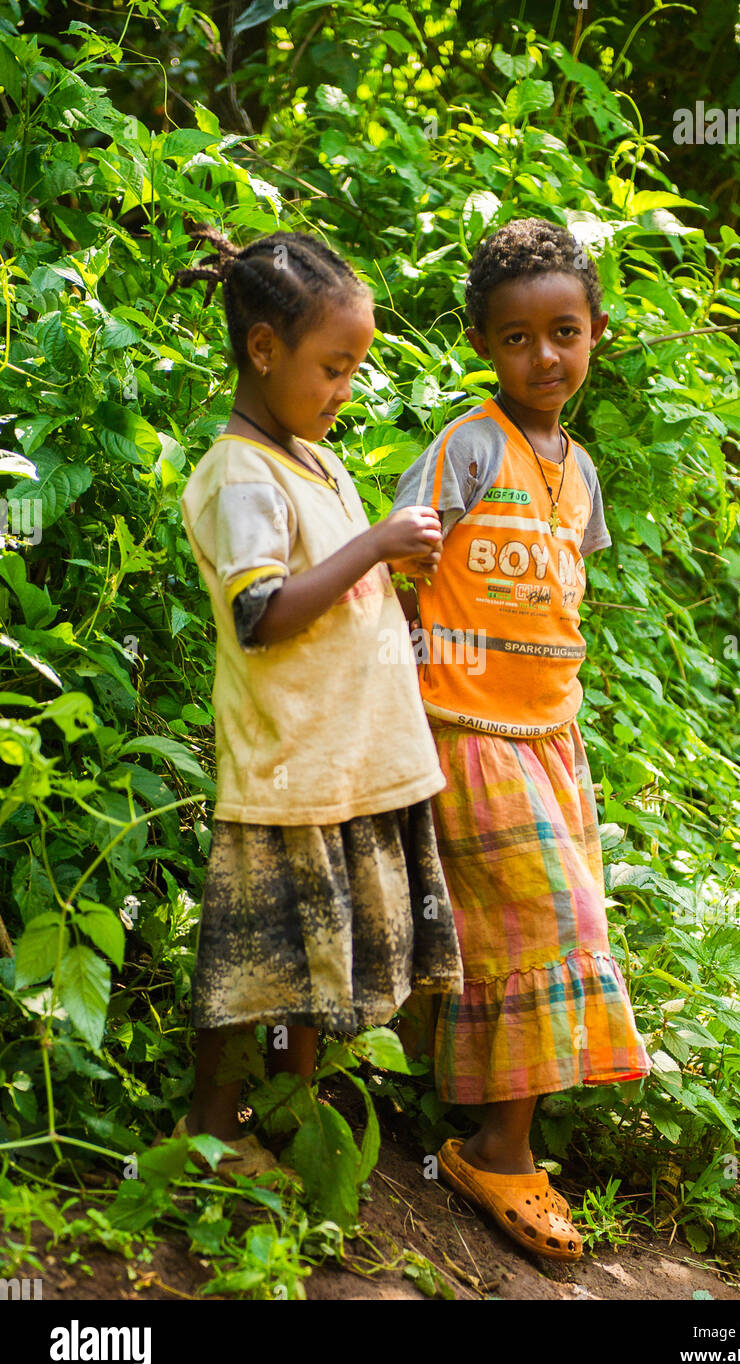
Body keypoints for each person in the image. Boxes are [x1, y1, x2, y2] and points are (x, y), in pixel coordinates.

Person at [169, 225, 464, 1177]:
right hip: (287, 770)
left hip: (348, 766)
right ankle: (208, 1135)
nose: (346, 390)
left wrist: (395, 567)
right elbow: (261, 612)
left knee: (314, 974)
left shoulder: (318, 462)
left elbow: (339, 591)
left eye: (355, 369)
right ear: (264, 349)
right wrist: (373, 547)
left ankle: (293, 1122)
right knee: (252, 971)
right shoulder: (237, 474)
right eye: (333, 368)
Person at [392, 218, 651, 1261]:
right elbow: (401, 558)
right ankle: (500, 1150)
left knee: (510, 935)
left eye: (562, 332)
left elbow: (563, 587)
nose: (542, 357)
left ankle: (464, 1124)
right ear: (481, 345)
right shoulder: (467, 444)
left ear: (594, 332)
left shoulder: (577, 471)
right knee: (556, 917)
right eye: (515, 338)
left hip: (552, 733)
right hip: (464, 729)